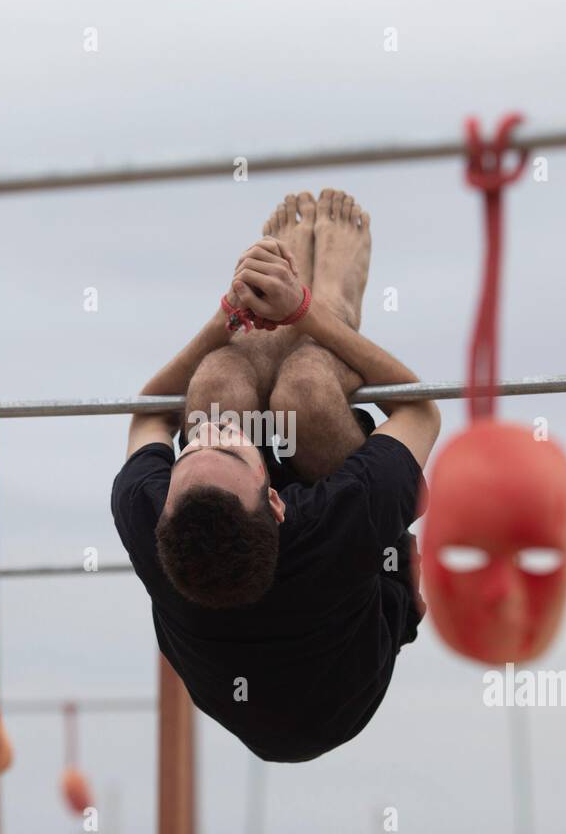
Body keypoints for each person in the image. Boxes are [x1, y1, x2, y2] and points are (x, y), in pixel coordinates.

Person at [111, 189, 440, 762]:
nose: (211, 436)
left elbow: (149, 414)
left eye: (189, 452)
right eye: (229, 449)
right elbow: (420, 411)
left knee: (216, 386)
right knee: (306, 392)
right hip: (344, 682)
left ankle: (258, 323)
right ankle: (330, 307)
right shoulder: (338, 521)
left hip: (246, 646)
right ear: (281, 502)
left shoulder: (147, 518)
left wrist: (220, 325)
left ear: (165, 507)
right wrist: (310, 312)